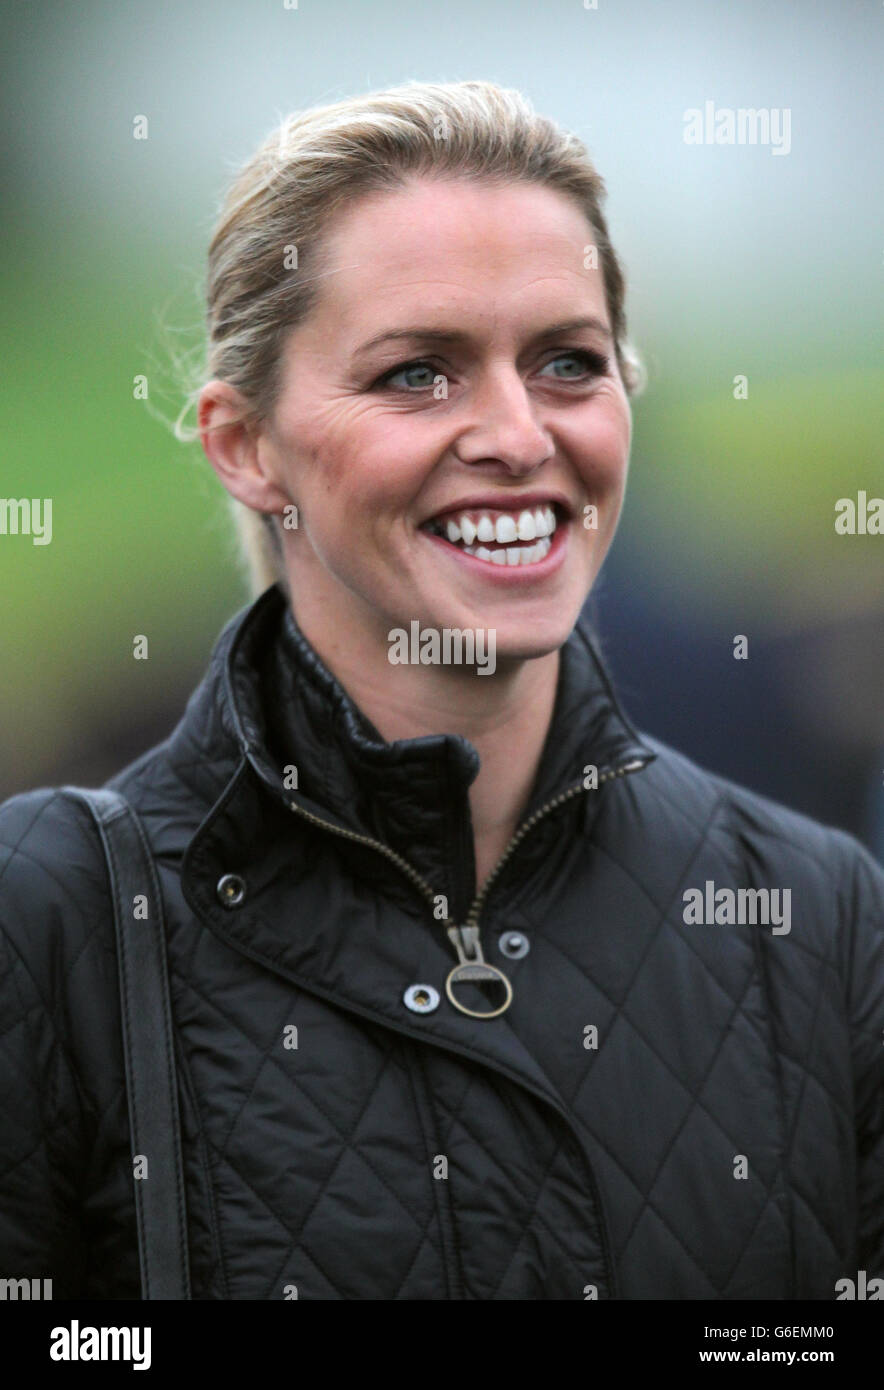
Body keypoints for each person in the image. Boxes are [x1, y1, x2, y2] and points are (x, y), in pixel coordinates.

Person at [0, 79, 881, 1301]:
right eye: (418, 372)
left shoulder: (815, 913)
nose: (518, 433)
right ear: (246, 444)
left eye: (568, 361)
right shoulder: (48, 918)